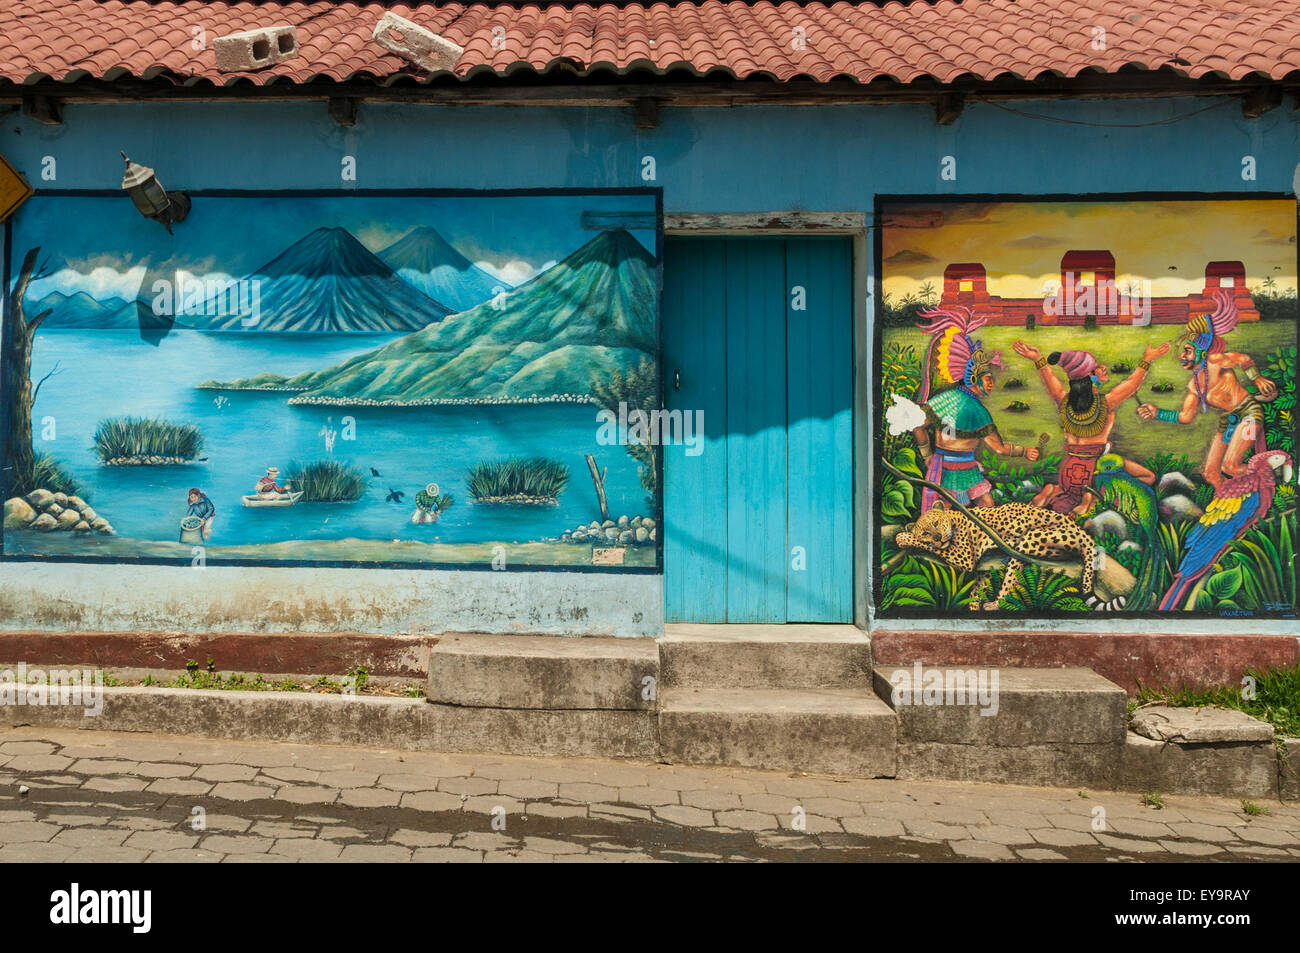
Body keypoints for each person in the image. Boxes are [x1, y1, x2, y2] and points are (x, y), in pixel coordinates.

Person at [1137, 291, 1277, 488]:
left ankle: (1274, 472)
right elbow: (1186, 416)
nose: (1182, 356)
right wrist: (1157, 412)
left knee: (1230, 466)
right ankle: (1228, 504)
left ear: (1201, 351)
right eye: (1182, 352)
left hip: (1248, 414)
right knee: (1210, 473)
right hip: (1228, 420)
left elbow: (1242, 358)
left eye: (1187, 351)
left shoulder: (1215, 361)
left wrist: (1257, 378)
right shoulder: (1193, 386)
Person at [1012, 339, 1168, 515]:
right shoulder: (1106, 403)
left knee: (1068, 491)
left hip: (1068, 469)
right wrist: (1147, 359)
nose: (1103, 367)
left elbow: (1049, 379)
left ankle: (1053, 490)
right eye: (1097, 367)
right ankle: (1090, 498)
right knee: (1149, 477)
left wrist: (1038, 358)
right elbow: (1132, 384)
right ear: (1090, 377)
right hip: (1095, 468)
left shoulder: (1063, 401)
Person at [910, 306, 1039, 510]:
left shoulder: (944, 399)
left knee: (984, 507)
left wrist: (927, 457)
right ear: (973, 378)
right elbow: (999, 448)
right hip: (945, 472)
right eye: (988, 379)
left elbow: (918, 426)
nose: (991, 384)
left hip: (963, 470)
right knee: (950, 515)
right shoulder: (977, 411)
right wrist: (1025, 451)